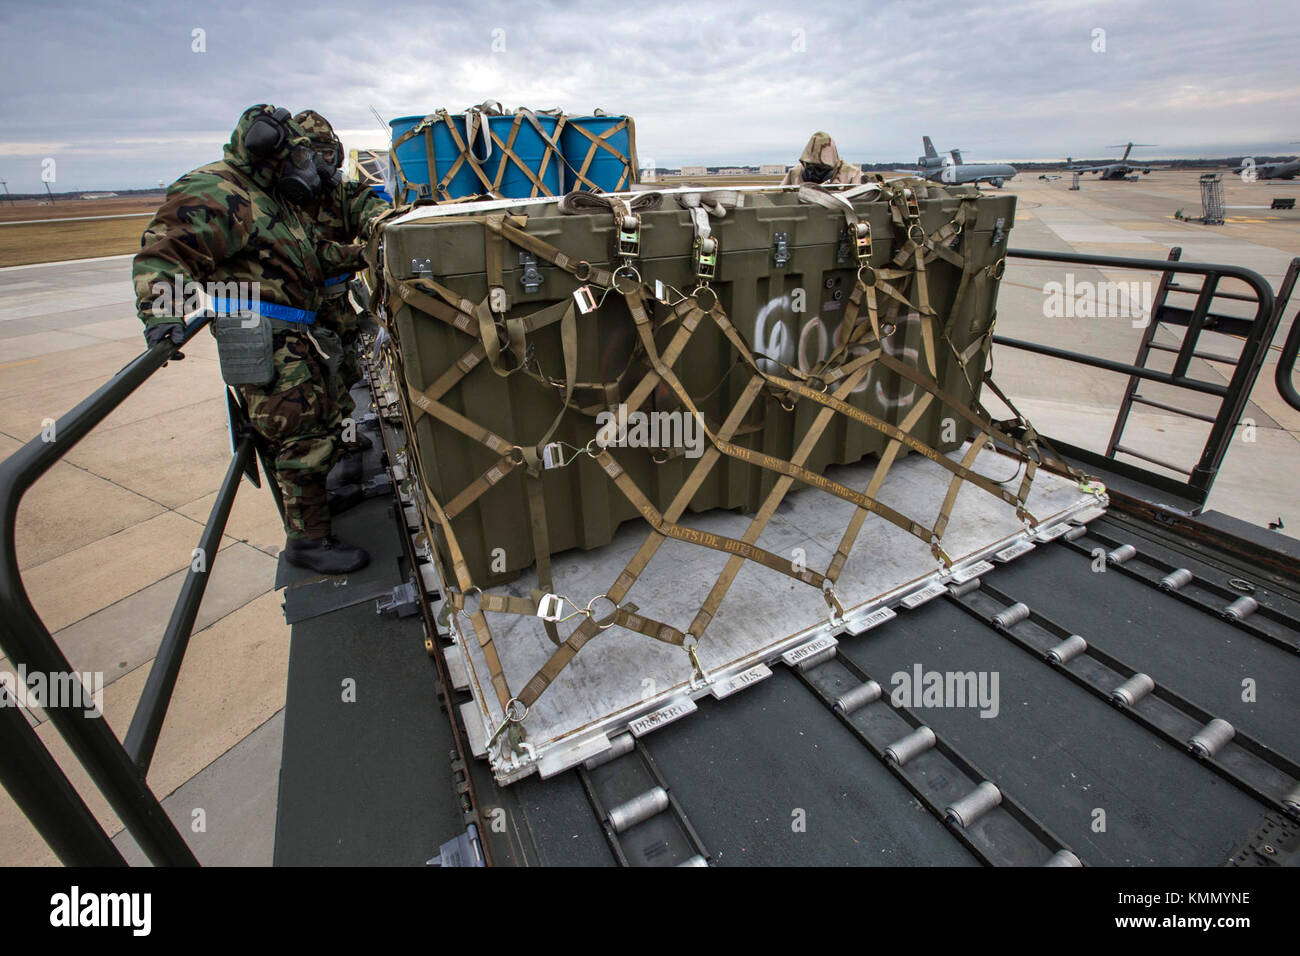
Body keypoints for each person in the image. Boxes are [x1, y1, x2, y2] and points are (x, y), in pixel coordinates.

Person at [133, 104, 370, 575]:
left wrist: (363, 253)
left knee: (319, 421)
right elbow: (165, 250)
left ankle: (317, 509)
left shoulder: (267, 197)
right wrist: (162, 313)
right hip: (262, 334)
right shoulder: (217, 190)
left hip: (294, 332)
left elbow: (311, 256)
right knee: (298, 435)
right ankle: (308, 542)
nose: (306, 169)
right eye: (299, 158)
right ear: (268, 150)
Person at [291, 109, 391, 437]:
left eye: (324, 154)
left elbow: (377, 217)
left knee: (345, 378)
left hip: (337, 306)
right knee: (302, 396)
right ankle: (318, 447)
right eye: (307, 156)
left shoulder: (344, 194)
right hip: (290, 311)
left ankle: (345, 441)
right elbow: (307, 256)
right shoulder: (276, 200)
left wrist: (389, 230)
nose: (317, 165)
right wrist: (360, 254)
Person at [782, 132, 865, 185]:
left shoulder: (852, 174)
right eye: (809, 167)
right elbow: (778, 196)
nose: (812, 173)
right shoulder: (795, 173)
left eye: (819, 168)